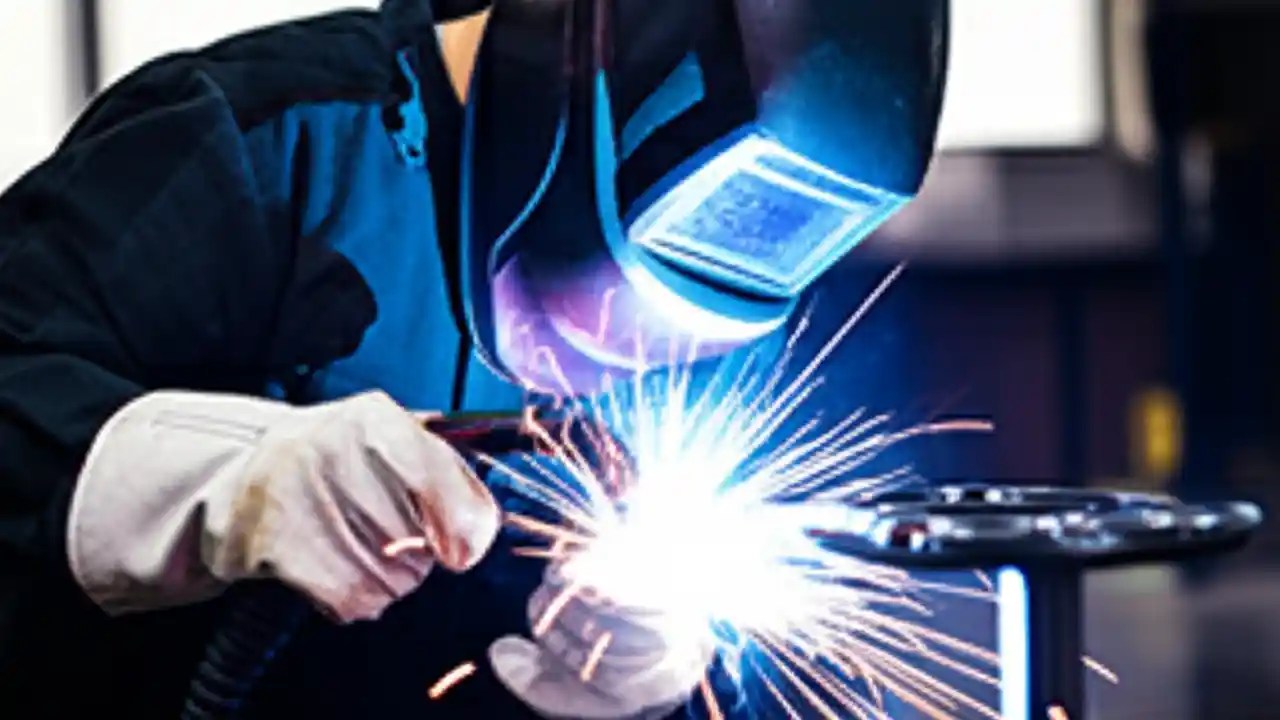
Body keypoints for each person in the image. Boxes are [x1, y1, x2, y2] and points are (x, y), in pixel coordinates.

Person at [0, 0, 948, 717]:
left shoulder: (736, 288)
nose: (629, 355)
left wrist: (647, 689)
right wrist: (214, 479)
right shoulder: (264, 146)